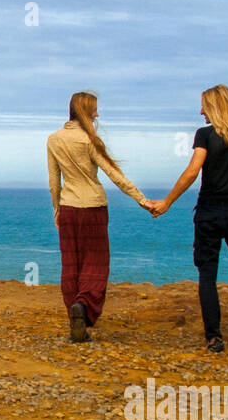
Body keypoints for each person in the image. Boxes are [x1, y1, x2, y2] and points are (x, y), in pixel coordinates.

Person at [148, 85, 228, 353]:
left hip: (207, 214)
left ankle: (214, 338)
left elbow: (193, 171)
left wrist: (167, 201)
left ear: (214, 107)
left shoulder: (204, 135)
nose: (200, 111)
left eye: (204, 105)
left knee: (207, 274)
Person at [48, 90, 153, 342]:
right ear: (85, 111)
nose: (97, 113)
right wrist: (142, 200)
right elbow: (114, 175)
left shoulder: (53, 139)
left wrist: (57, 210)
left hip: (69, 209)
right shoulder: (89, 140)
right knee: (96, 265)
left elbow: (54, 182)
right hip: (93, 208)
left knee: (71, 266)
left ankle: (75, 316)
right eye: (94, 109)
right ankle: (83, 307)